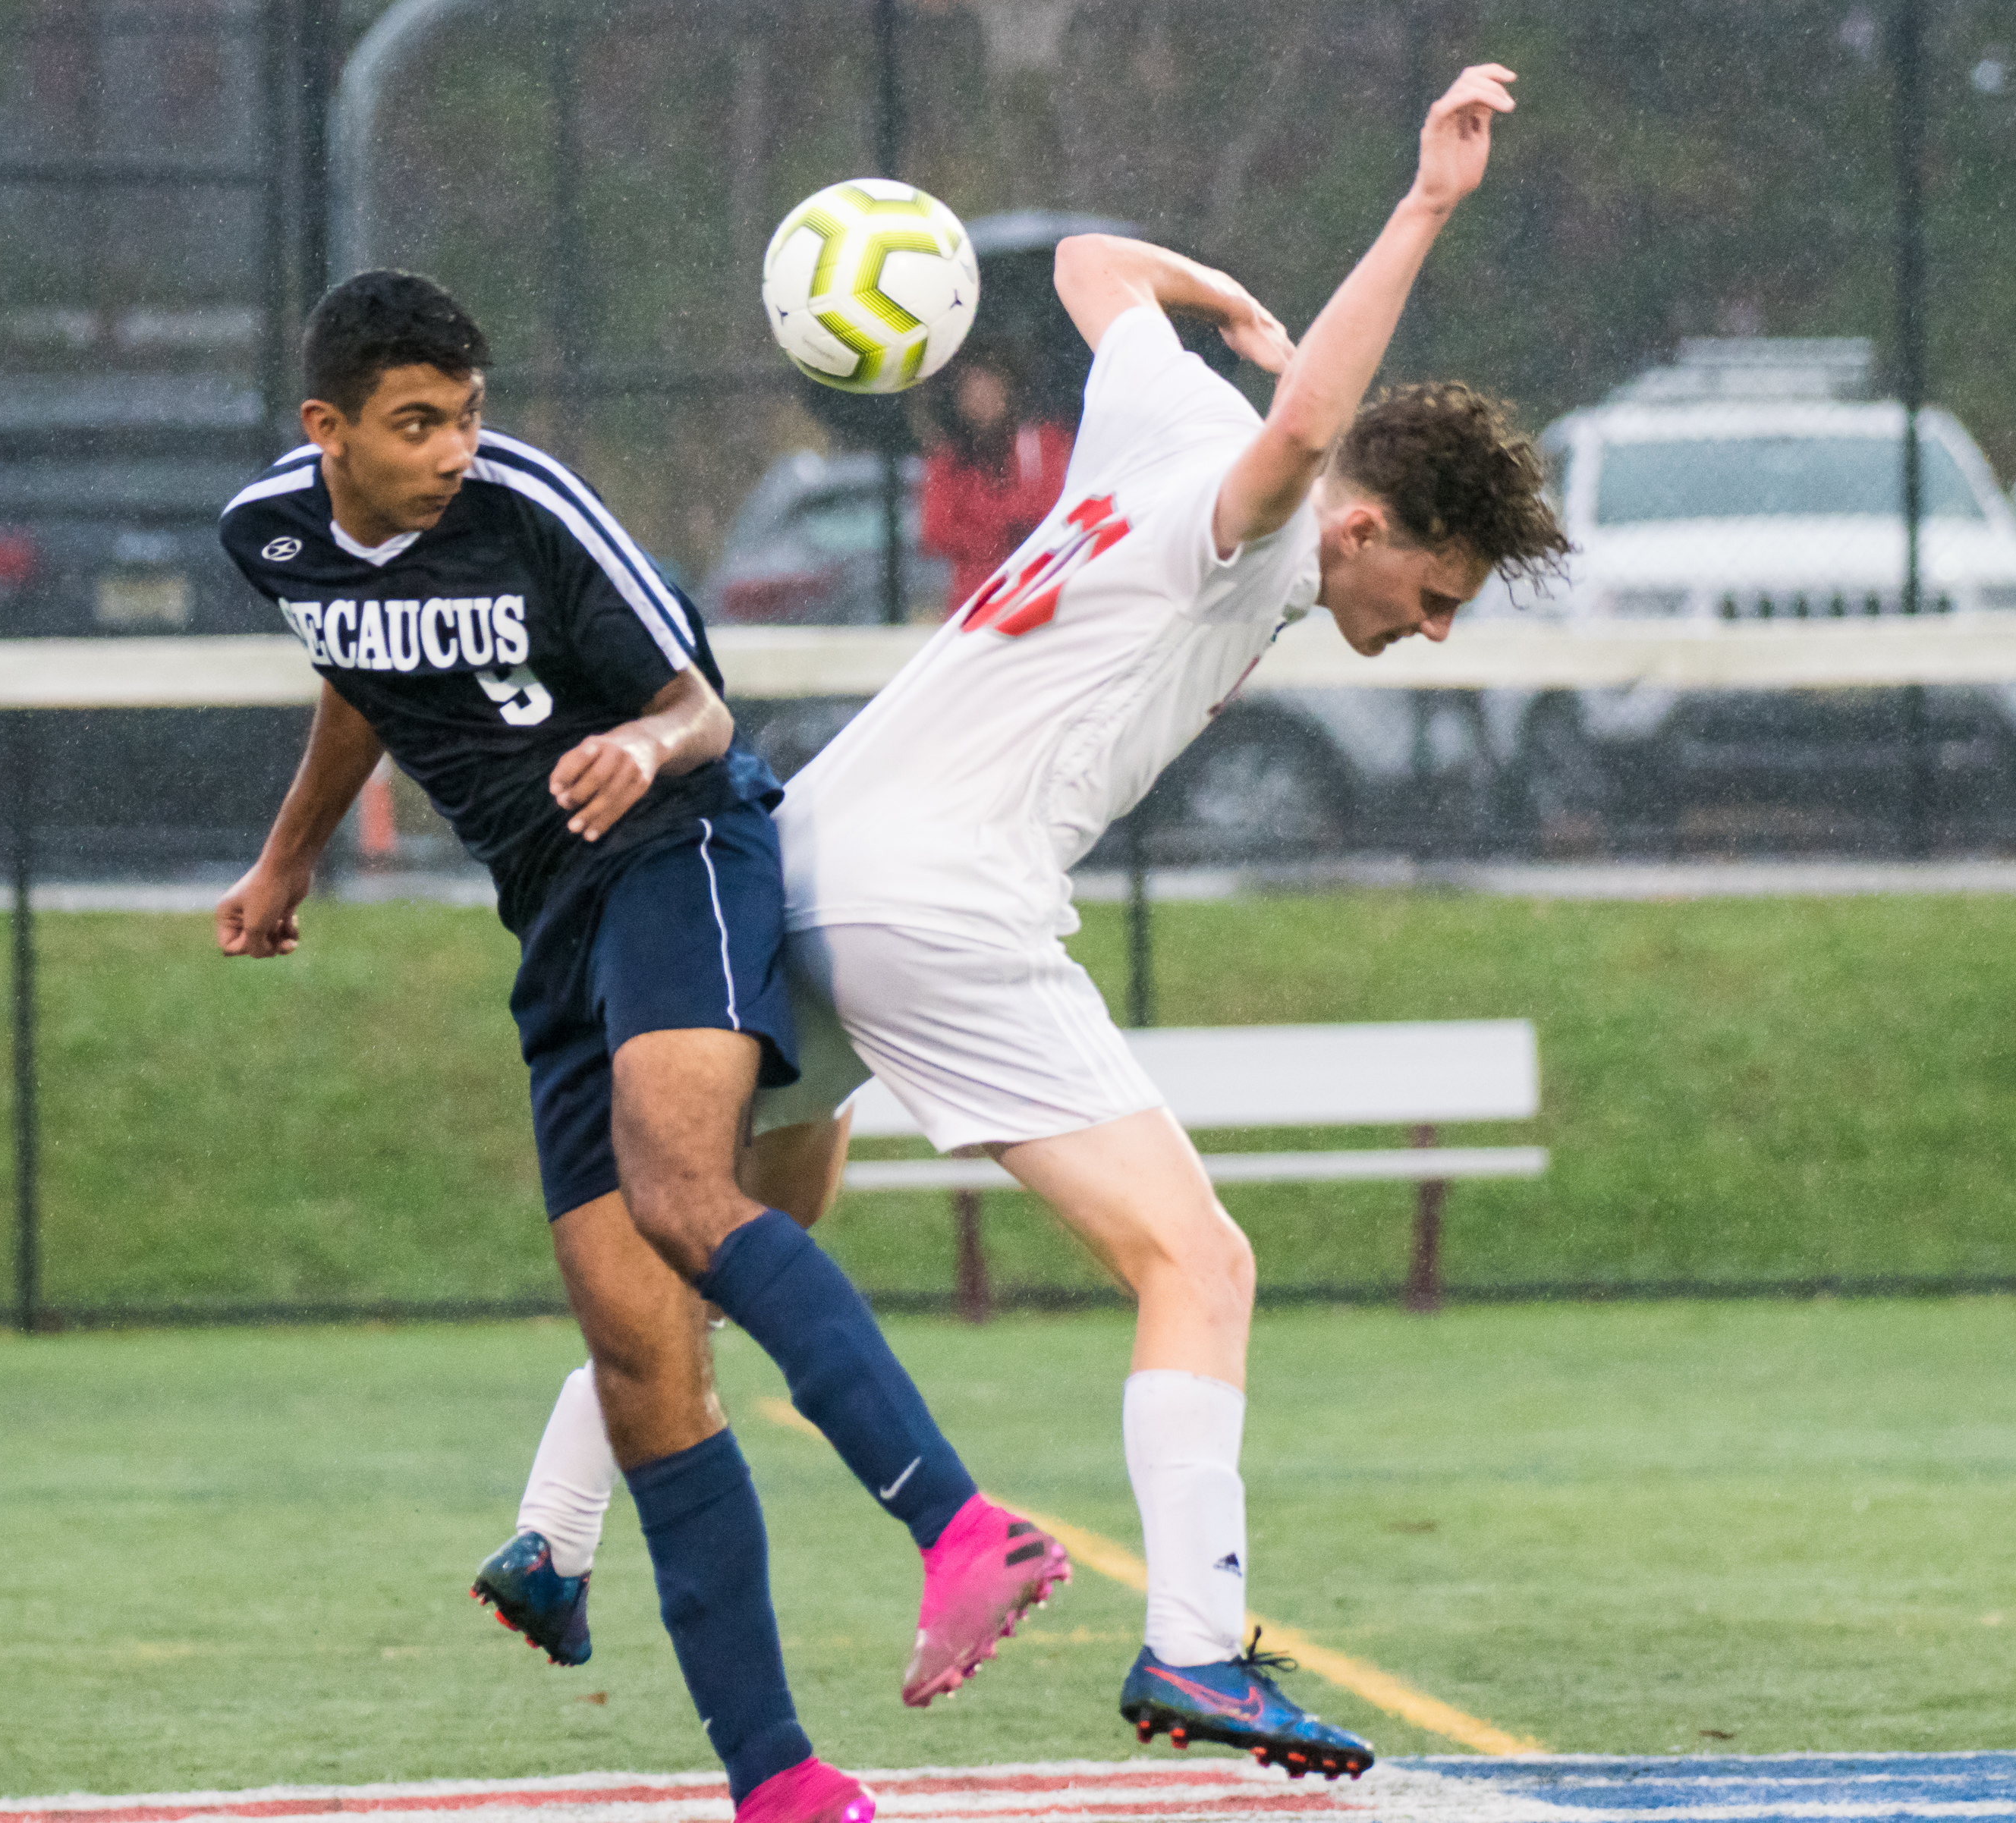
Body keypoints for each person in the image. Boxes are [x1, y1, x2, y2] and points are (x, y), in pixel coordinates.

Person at [489, 60, 1562, 1779]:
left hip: (814, 857)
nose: (1429, 628)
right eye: (1428, 596)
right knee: (1196, 1260)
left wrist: (1218, 301)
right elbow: (1299, 435)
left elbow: (1085, 270)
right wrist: (1422, 207)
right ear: (1361, 524)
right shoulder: (1263, 518)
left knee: (735, 1211)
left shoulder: (1165, 414)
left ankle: (551, 1532)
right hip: (940, 901)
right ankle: (1197, 1650)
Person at [213, 272, 1069, 1823]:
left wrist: (633, 740)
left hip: (678, 847)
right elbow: (362, 669)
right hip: (549, 916)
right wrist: (288, 860)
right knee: (640, 1358)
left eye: (468, 414)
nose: (455, 448)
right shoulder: (266, 534)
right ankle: (783, 1782)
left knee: (683, 1194)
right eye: (418, 425)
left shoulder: (531, 502)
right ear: (324, 430)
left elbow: (701, 707)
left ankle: (964, 1528)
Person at [918, 344, 1074, 611]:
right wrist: (1007, 528)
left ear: (1009, 390)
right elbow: (936, 532)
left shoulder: (1043, 443)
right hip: (975, 603)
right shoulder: (947, 460)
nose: (981, 399)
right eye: (970, 390)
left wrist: (989, 527)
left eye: (989, 387)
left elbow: (1060, 514)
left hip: (1042, 596)